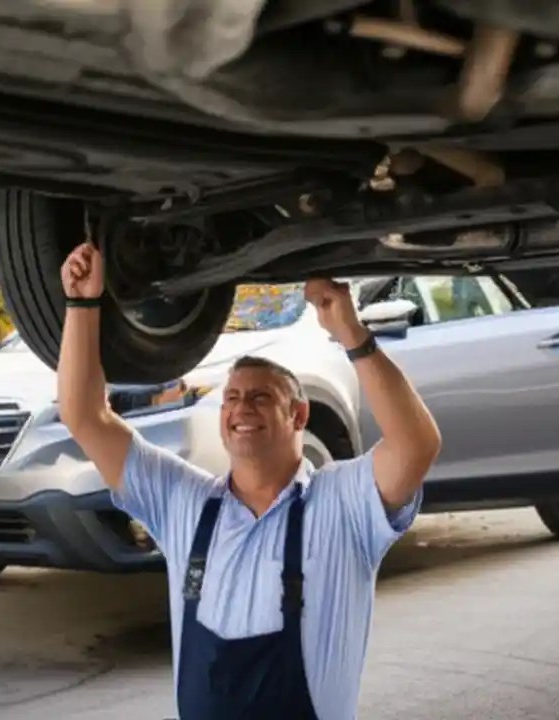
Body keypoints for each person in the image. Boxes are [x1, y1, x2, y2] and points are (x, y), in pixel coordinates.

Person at [56, 242, 442, 719]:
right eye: (231, 397)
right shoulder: (185, 504)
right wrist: (81, 304)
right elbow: (85, 417)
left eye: (259, 398)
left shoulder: (342, 505)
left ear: (298, 414)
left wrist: (351, 333)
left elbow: (415, 445)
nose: (240, 408)